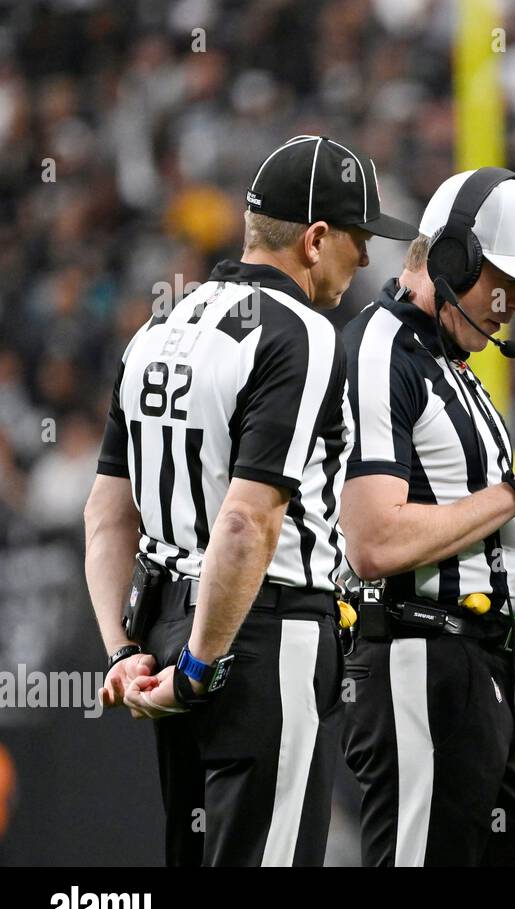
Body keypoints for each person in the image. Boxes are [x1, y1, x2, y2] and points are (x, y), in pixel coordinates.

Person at [83, 134, 419, 866]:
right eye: (358, 239)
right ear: (316, 238)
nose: (364, 259)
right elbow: (247, 519)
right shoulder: (301, 332)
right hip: (262, 633)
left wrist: (123, 650)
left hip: (163, 624)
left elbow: (108, 512)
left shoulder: (157, 327)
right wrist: (203, 667)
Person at [339, 167, 515, 866]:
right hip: (415, 655)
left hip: (476, 664)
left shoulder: (454, 366)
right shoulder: (379, 352)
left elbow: (497, 547)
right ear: (453, 259)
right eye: (505, 279)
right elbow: (373, 541)